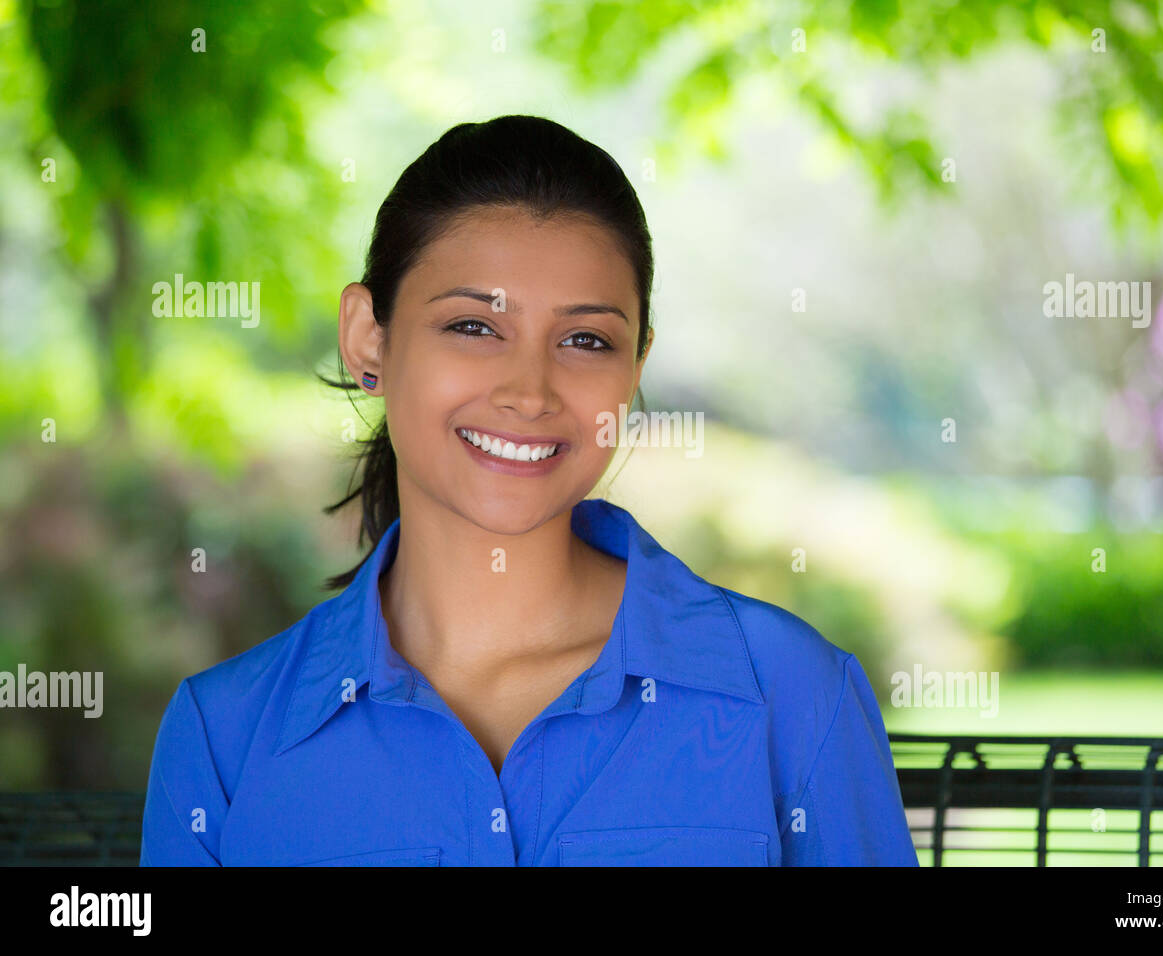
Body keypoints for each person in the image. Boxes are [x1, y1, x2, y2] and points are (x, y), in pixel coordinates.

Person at [139, 114, 917, 866]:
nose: (530, 390)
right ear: (368, 339)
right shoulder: (224, 739)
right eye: (474, 327)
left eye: (586, 340)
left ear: (636, 365)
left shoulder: (792, 695)